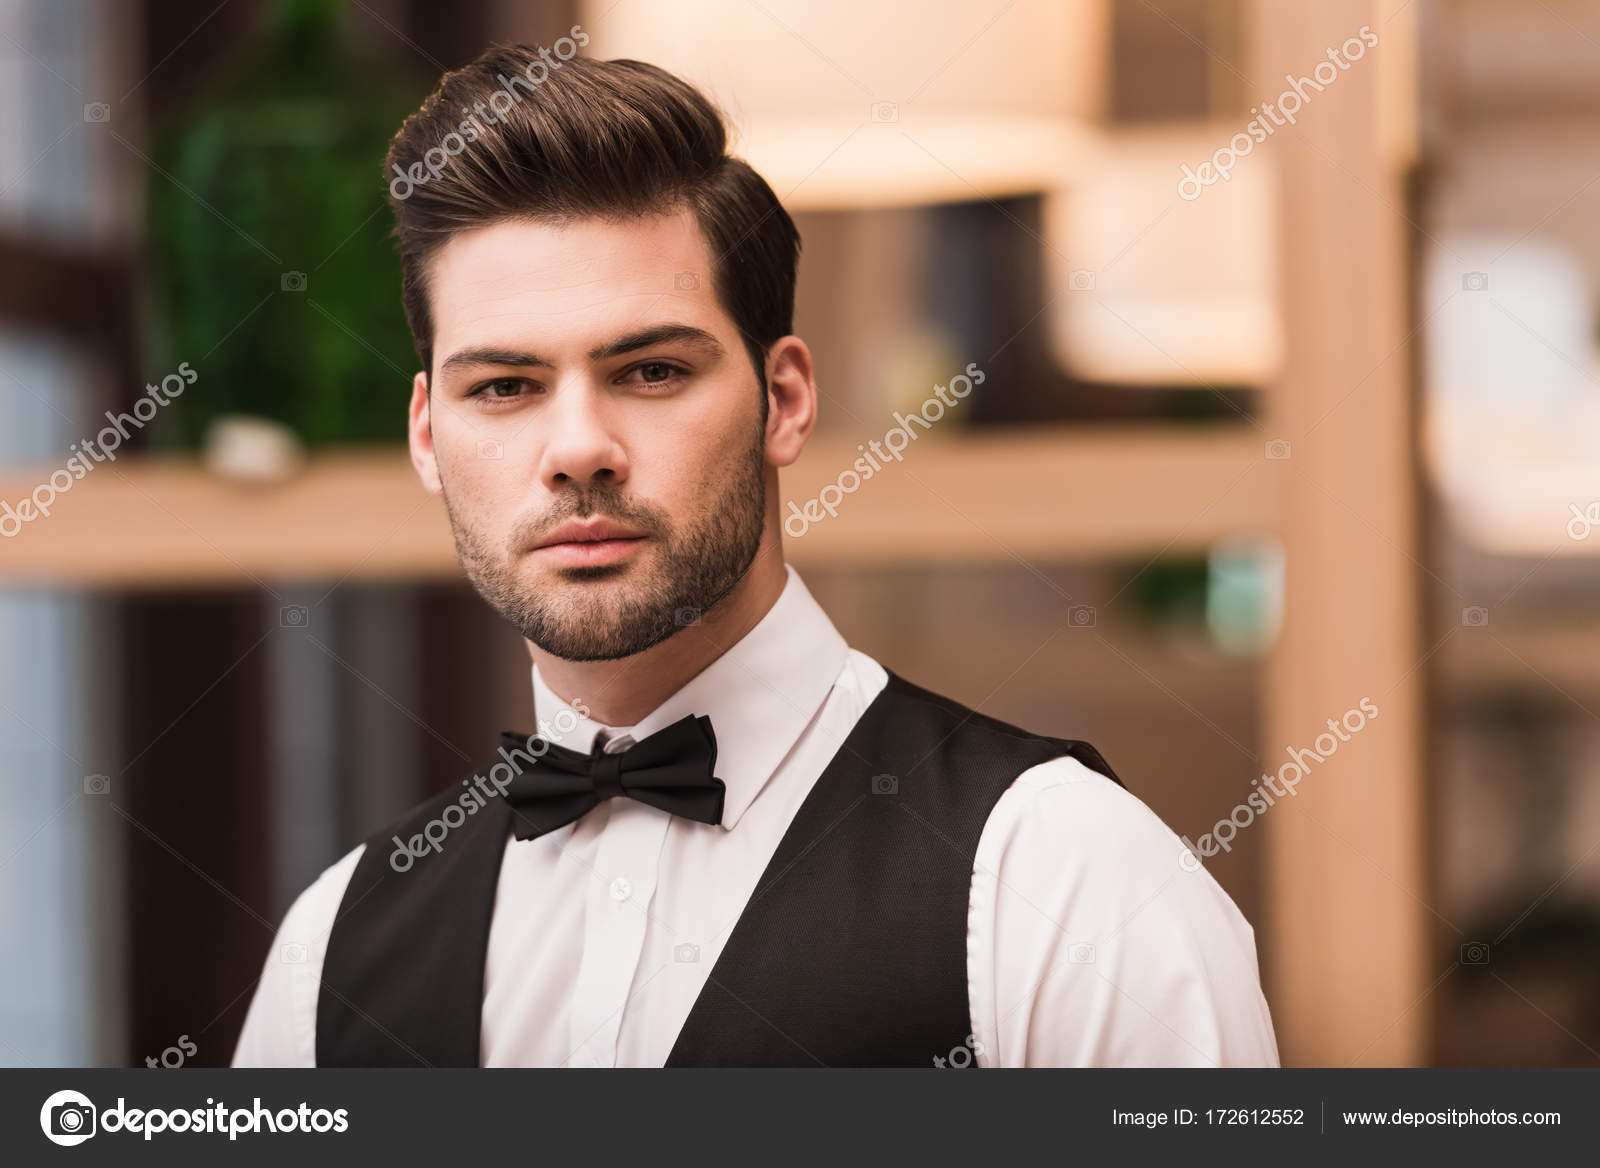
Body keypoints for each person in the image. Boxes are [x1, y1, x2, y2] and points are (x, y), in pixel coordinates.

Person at [233, 46, 1279, 1068]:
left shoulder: (1067, 880)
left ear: (784, 399)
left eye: (648, 369)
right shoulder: (329, 950)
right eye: (502, 387)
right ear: (428, 435)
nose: (576, 449)